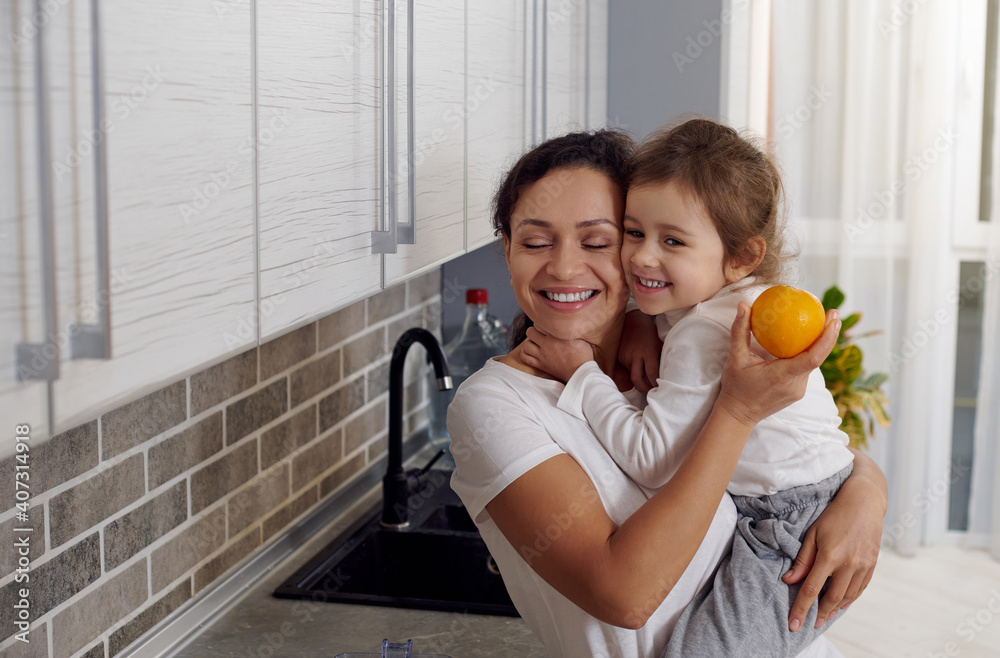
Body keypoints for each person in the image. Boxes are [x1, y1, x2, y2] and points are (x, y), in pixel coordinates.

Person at [447, 128, 887, 658]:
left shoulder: (677, 342)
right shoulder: (493, 406)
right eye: (535, 242)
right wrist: (736, 411)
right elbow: (626, 596)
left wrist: (866, 493)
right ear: (508, 251)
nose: (563, 267)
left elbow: (791, 454)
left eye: (599, 241)